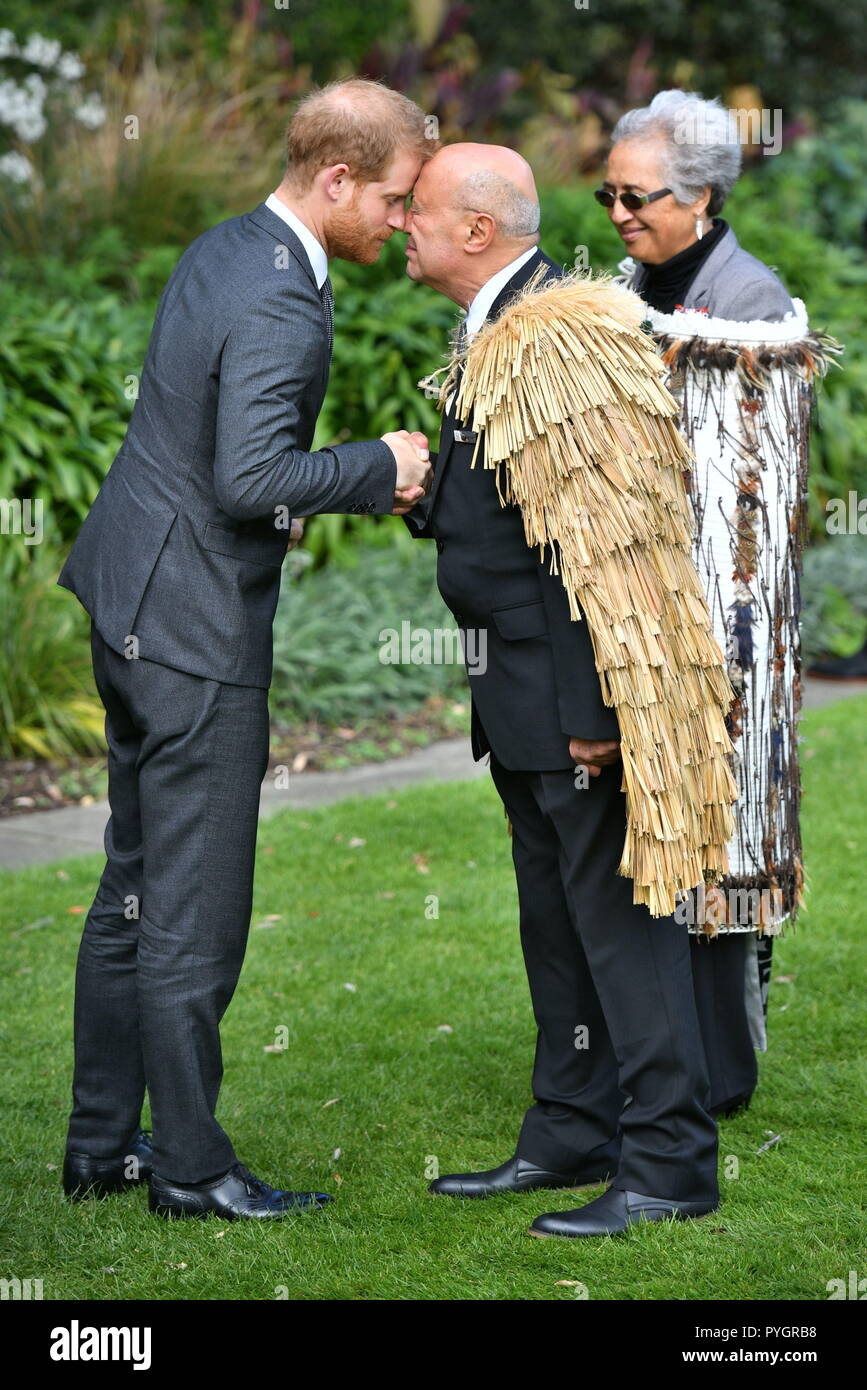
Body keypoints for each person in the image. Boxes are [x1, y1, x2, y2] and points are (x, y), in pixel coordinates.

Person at [57, 78, 433, 1221]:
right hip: (192, 635)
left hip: (128, 601)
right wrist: (386, 464)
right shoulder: (281, 297)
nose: (404, 222)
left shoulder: (231, 245)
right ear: (337, 180)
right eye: (397, 199)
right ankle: (191, 1169)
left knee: (133, 885)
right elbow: (250, 478)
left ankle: (100, 1147)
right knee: (193, 911)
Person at [401, 142, 731, 1238]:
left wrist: (599, 715)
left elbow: (615, 538)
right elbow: (522, 504)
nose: (404, 222)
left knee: (625, 928)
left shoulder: (555, 329)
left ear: (478, 230)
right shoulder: (505, 322)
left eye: (421, 208)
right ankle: (572, 1125)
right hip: (520, 697)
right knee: (558, 926)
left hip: (572, 703)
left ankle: (673, 1161)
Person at [599, 89, 813, 1116]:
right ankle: (662, 1052)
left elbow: (750, 491)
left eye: (634, 198)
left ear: (701, 196)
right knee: (659, 840)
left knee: (722, 840)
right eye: (608, 195)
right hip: (649, 611)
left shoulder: (755, 304)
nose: (617, 216)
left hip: (724, 620)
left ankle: (721, 1069)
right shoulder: (633, 276)